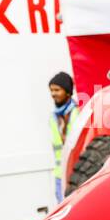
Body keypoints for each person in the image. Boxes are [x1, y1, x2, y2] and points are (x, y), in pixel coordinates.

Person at [47, 71, 82, 202]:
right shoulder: (53, 117)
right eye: (51, 90)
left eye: (57, 90)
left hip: (74, 173)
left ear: (68, 92)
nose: (53, 94)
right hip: (59, 174)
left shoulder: (76, 113)